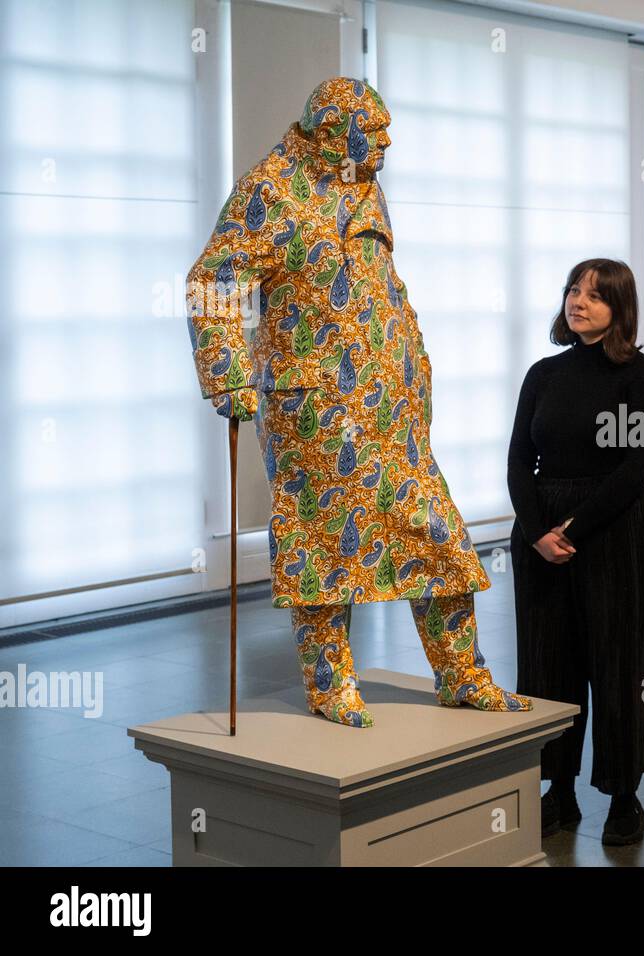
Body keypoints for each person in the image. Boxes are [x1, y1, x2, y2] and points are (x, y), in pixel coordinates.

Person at [185, 77, 529, 727]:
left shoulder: (362, 181)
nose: (386, 140)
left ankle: (462, 674)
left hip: (389, 410)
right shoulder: (271, 191)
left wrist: (414, 362)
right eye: (372, 131)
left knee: (438, 535)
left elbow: (379, 284)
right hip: (316, 412)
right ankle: (330, 684)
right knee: (320, 550)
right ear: (328, 130)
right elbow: (213, 281)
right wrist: (228, 373)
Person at [507, 258, 644, 846]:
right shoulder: (543, 374)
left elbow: (635, 466)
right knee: (549, 662)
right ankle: (559, 790)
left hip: (611, 529)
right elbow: (520, 459)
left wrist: (573, 527)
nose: (579, 302)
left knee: (619, 663)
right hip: (541, 532)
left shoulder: (640, 374)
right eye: (574, 291)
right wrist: (534, 530)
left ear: (619, 309)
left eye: (596, 296)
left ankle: (625, 796)